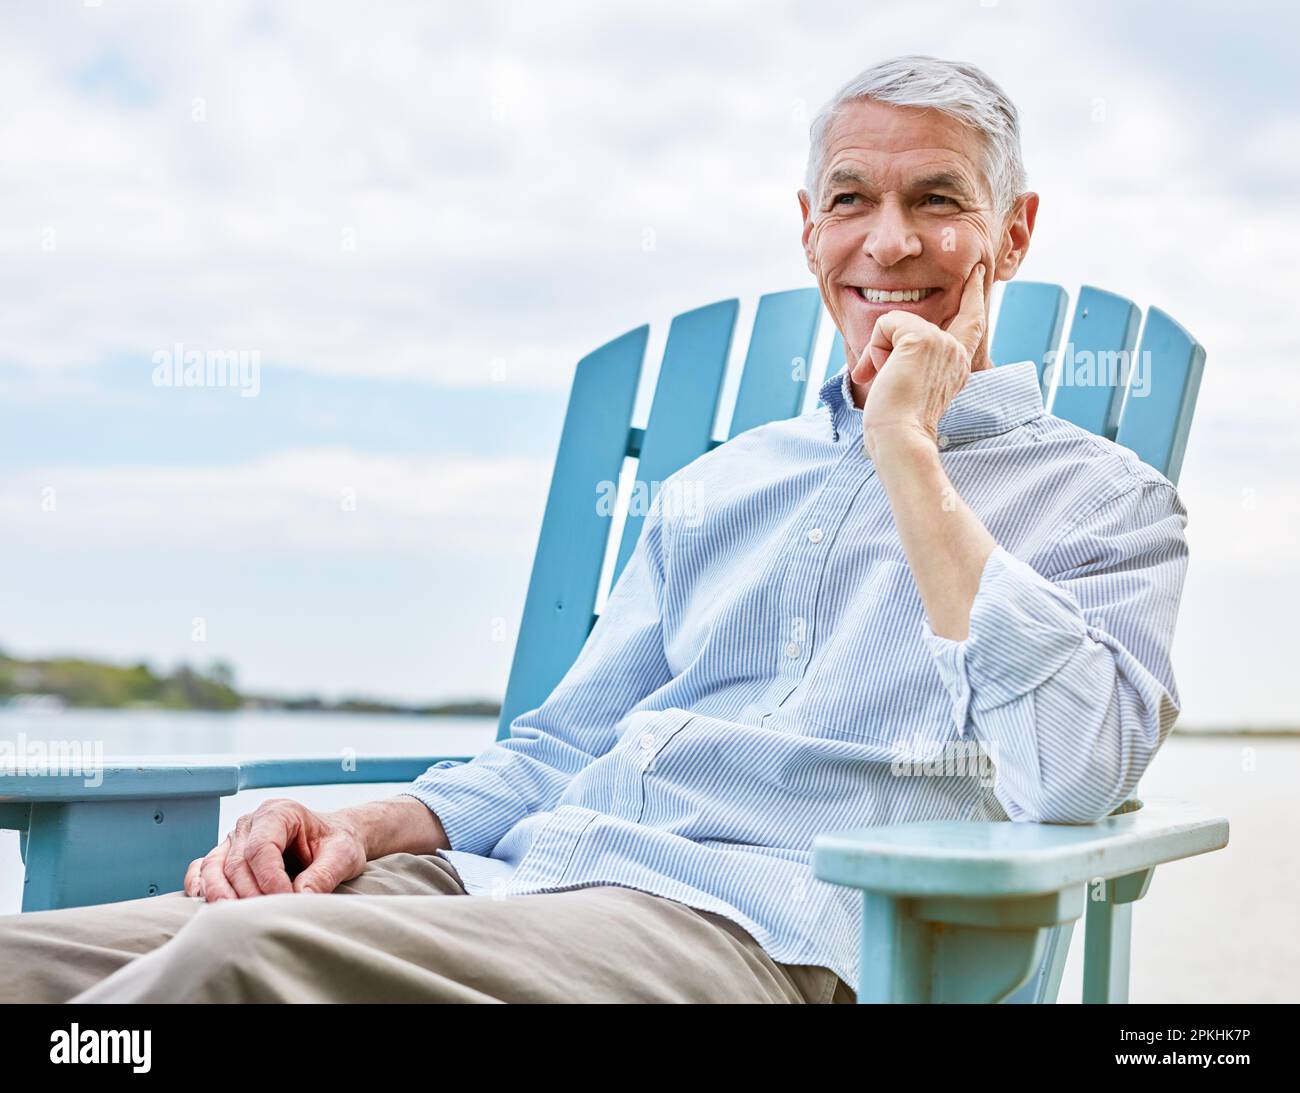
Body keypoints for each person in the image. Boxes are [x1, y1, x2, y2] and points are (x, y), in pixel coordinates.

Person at [0, 54, 1188, 1004]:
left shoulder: (1105, 503)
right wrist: (362, 820)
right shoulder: (717, 488)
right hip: (504, 880)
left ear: (1014, 233)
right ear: (807, 229)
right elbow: (560, 748)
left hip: (744, 931)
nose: (888, 243)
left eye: (938, 200)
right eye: (849, 202)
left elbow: (1072, 777)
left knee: (234, 971)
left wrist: (908, 452)